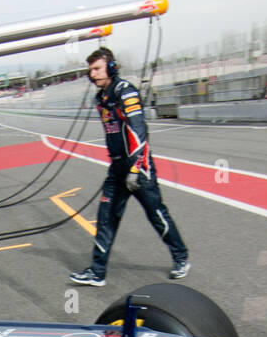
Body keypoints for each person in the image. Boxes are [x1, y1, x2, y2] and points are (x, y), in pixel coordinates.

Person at [69, 46, 189, 287]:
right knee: (105, 218)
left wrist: (136, 168)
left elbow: (139, 131)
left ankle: (181, 258)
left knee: (156, 214)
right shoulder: (100, 98)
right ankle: (97, 271)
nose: (92, 74)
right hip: (116, 168)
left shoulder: (126, 92)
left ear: (112, 68)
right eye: (90, 70)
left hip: (138, 167)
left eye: (97, 69)